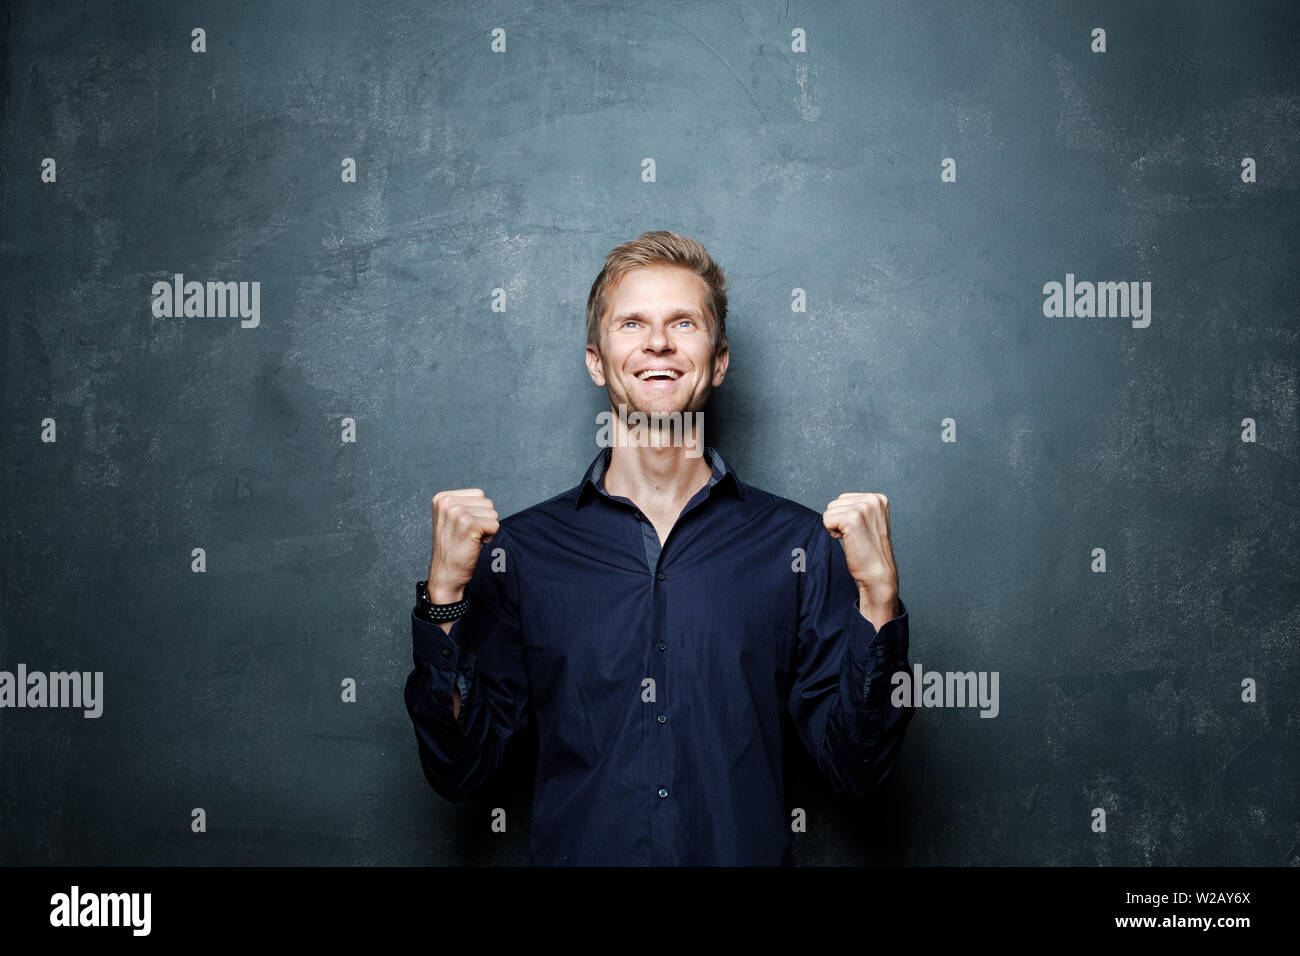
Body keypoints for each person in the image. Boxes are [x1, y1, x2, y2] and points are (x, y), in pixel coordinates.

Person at [404, 230, 913, 865]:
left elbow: (858, 769)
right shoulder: (519, 554)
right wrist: (446, 598)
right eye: (632, 324)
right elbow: (460, 770)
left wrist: (878, 604)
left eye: (683, 323)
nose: (658, 343)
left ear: (719, 360)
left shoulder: (802, 545)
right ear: (596, 360)